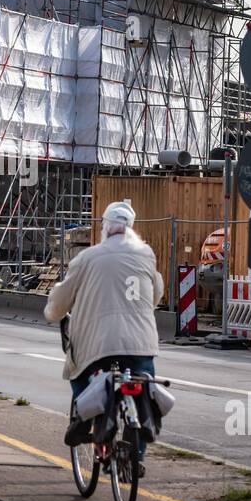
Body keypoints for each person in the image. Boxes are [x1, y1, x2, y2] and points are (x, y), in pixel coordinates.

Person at [44, 200, 164, 471]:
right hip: (141, 343)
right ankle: (137, 457)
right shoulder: (146, 255)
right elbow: (156, 293)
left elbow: (62, 298)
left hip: (97, 346)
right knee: (142, 385)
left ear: (105, 227)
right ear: (130, 229)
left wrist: (52, 311)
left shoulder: (87, 258)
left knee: (80, 379)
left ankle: (84, 420)